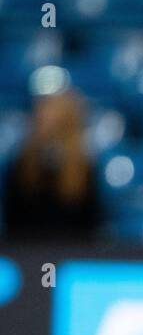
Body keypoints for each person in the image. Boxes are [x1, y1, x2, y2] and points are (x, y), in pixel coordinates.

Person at [2, 89, 100, 242]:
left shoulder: (86, 167)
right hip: (27, 249)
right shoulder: (21, 163)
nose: (47, 124)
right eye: (42, 118)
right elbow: (13, 217)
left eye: (55, 121)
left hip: (73, 249)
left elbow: (91, 221)